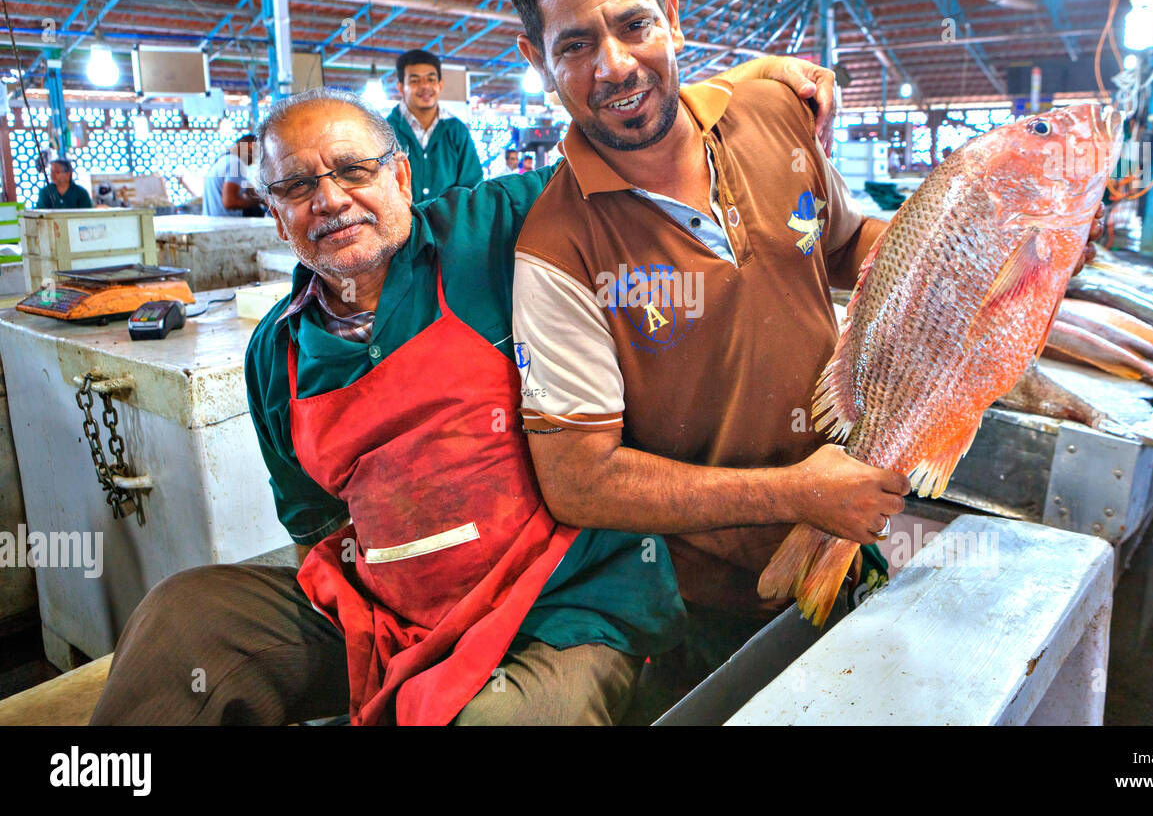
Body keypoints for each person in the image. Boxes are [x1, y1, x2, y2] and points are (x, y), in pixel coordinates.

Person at [90, 47, 844, 726]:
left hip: (554, 602)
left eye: (354, 170)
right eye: (296, 185)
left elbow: (629, 151)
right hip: (385, 609)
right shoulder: (273, 352)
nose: (330, 199)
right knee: (184, 623)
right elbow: (313, 521)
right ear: (275, 212)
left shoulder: (491, 230)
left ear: (402, 175)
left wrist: (743, 81)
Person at [504, 0, 1104, 710]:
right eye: (575, 44)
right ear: (535, 59)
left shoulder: (773, 114)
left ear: (672, 17)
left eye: (634, 24)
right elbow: (578, 481)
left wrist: (985, 253)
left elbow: (846, 244)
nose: (614, 65)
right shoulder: (556, 248)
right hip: (700, 596)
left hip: (862, 511)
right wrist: (797, 495)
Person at [387, 49, 484, 203]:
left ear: (440, 84)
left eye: (431, 79)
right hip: (401, 225)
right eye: (415, 80)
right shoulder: (384, 131)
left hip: (448, 226)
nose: (425, 86)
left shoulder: (457, 131)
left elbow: (472, 186)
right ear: (400, 87)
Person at [202, 134, 262, 216]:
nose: (255, 160)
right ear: (251, 146)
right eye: (258, 153)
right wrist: (257, 201)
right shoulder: (236, 163)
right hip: (225, 225)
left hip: (213, 223)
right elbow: (229, 202)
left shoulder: (222, 161)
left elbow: (246, 188)